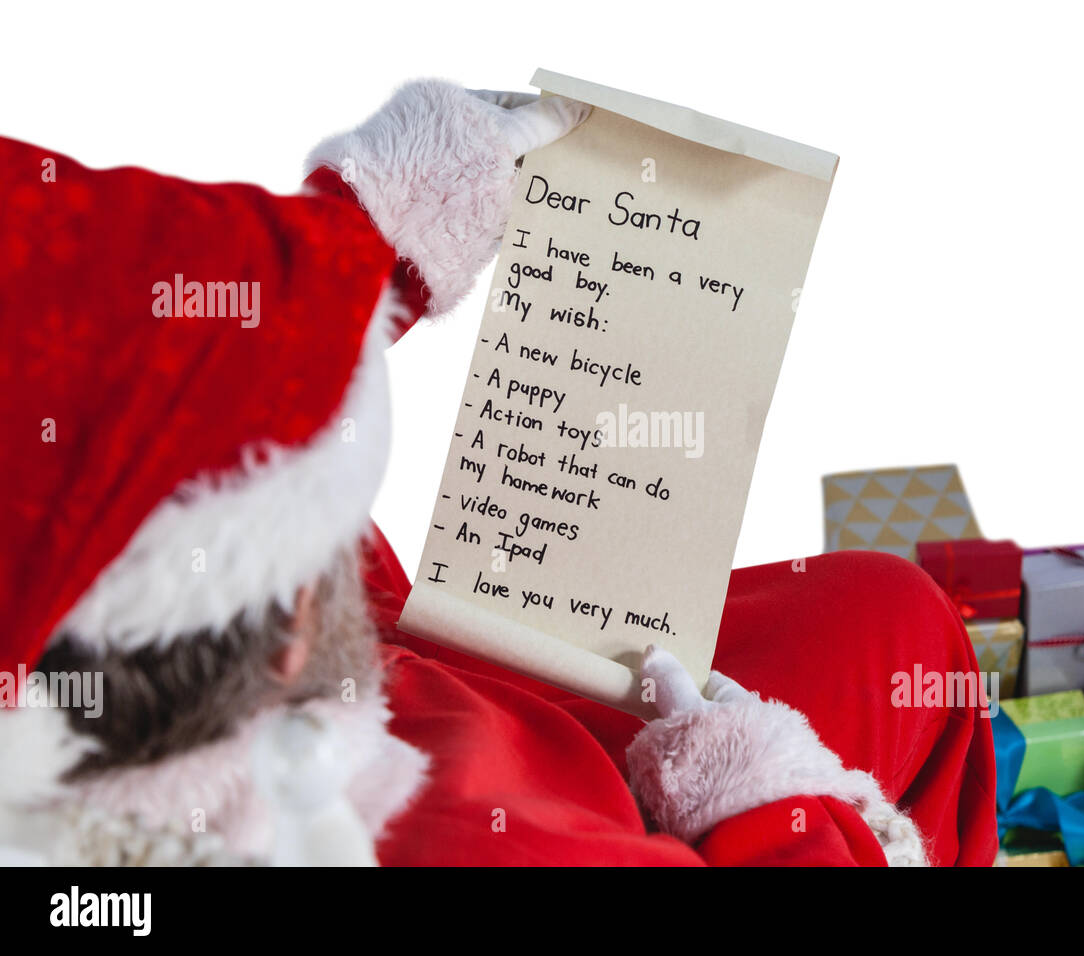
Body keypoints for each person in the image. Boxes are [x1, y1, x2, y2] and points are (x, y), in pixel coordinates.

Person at [0, 79, 996, 866]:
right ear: (294, 618)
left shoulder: (113, 619)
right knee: (925, 658)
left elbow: (100, 378)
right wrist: (773, 809)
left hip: (385, 686)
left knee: (893, 613)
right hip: (474, 772)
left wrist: (363, 241)